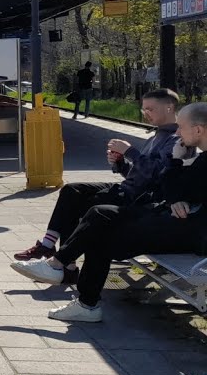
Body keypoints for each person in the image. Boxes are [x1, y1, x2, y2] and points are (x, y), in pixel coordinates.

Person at [11, 101, 207, 321]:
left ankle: (65, 275)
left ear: (198, 130)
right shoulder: (199, 158)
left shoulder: (197, 158)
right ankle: (77, 291)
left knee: (101, 223)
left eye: (182, 126)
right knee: (100, 215)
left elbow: (170, 185)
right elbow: (175, 188)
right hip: (173, 218)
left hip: (190, 232)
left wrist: (175, 168)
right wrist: (176, 194)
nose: (178, 131)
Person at [12, 89, 181, 270]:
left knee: (82, 204)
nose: (146, 113)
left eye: (150, 109)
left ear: (169, 108)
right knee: (71, 190)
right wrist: (121, 164)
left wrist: (130, 152)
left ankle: (64, 265)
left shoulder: (175, 139)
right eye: (144, 109)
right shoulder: (157, 136)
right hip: (129, 189)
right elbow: (140, 174)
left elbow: (159, 175)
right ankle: (48, 246)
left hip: (139, 198)